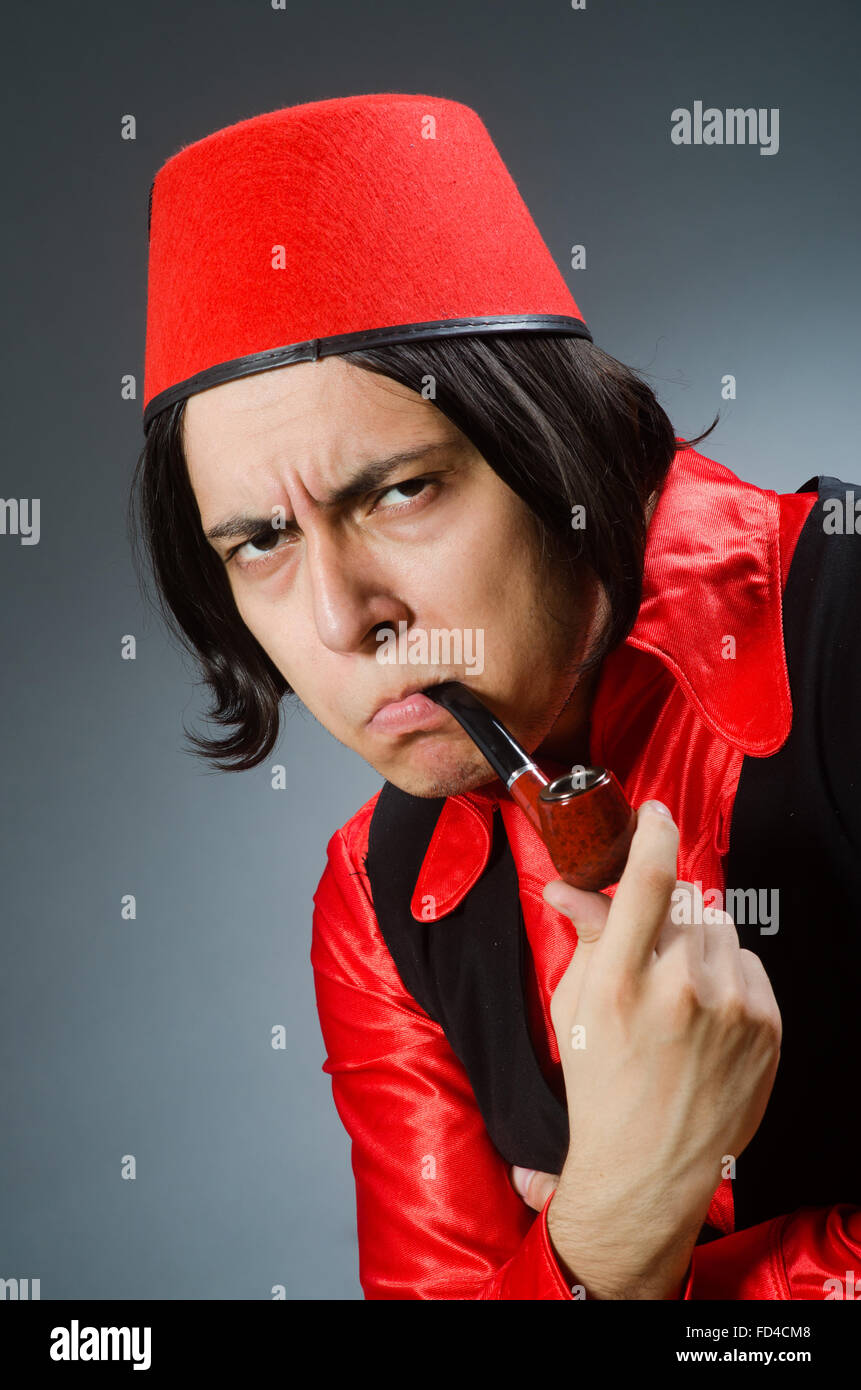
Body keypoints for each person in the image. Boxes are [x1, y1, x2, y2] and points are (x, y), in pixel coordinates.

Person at [133, 92, 861, 1300]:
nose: (339, 617)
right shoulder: (379, 905)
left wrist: (624, 1249)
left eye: (400, 491)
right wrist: (625, 1218)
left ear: (561, 452)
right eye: (259, 540)